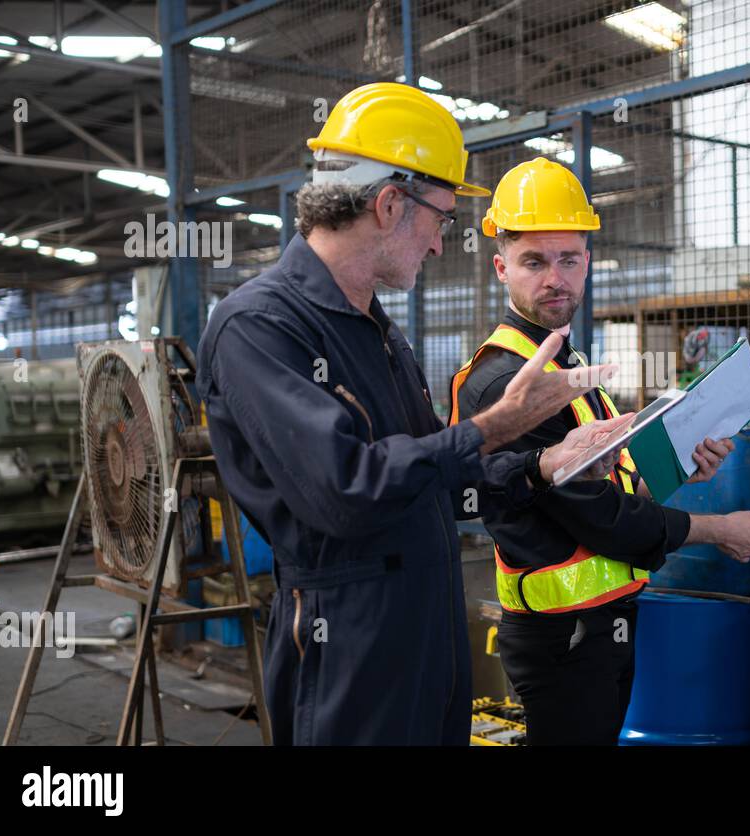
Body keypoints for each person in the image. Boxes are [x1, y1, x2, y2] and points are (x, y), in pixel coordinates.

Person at [196, 85, 626, 745]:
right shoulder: (259, 325)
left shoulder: (377, 330)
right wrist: (493, 425)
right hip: (349, 645)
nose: (436, 244)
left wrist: (543, 464)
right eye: (442, 219)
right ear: (390, 203)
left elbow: (439, 479)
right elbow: (345, 491)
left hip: (428, 636)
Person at [450, 157, 750, 745]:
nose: (555, 277)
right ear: (501, 268)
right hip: (563, 635)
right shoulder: (509, 381)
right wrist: (717, 528)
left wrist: (680, 467)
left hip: (601, 623)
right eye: (534, 261)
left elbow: (615, 488)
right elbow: (599, 517)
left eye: (568, 259)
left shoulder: (569, 366)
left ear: (588, 262)